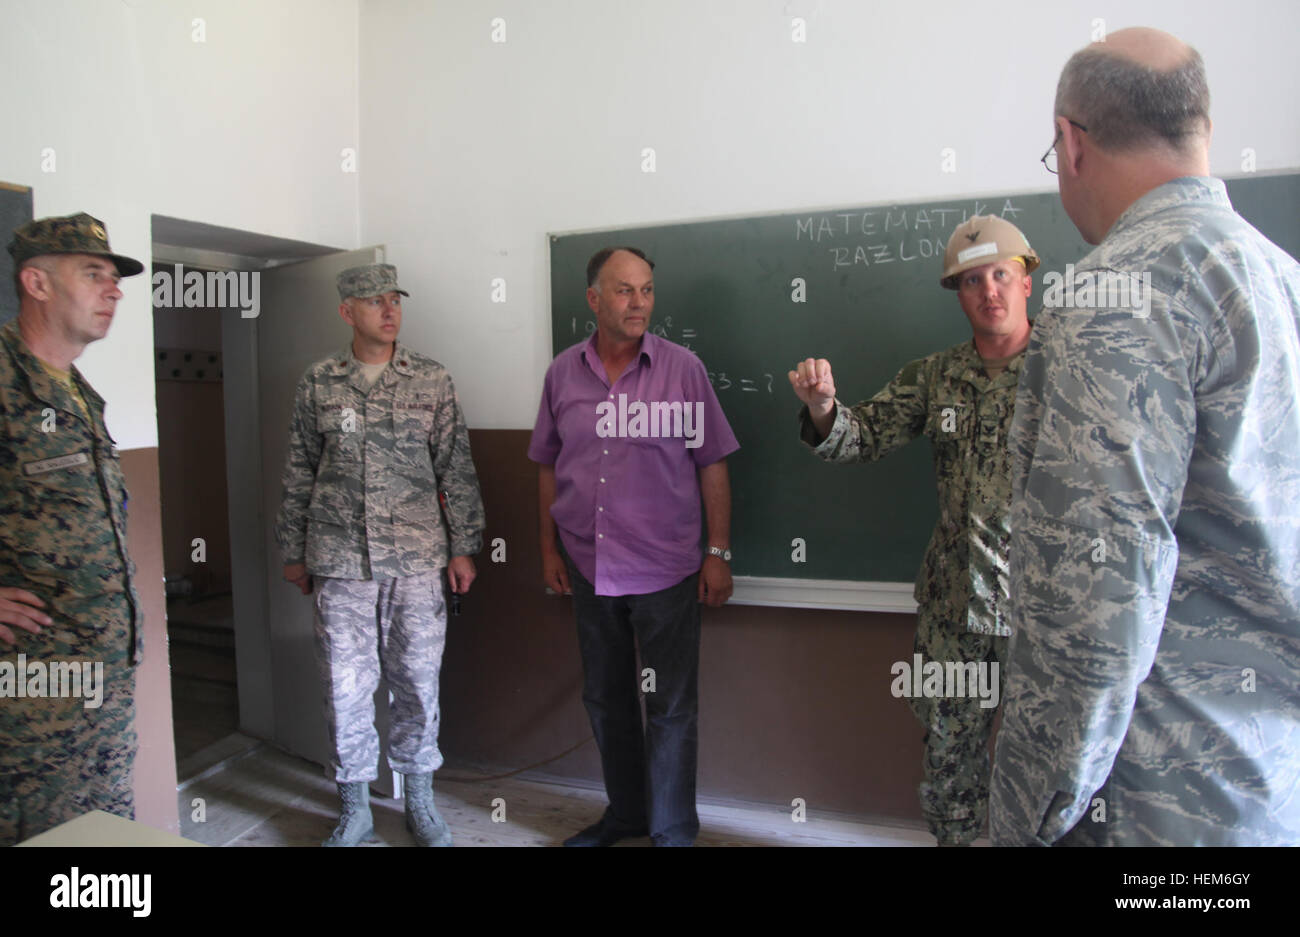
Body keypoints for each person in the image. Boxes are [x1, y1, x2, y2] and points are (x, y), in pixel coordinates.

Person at [990, 27, 1300, 846]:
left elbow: (1092, 602)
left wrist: (1027, 812)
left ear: (1071, 141)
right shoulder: (1283, 281)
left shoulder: (1111, 296)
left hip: (1148, 800)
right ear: (1200, 125)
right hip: (1268, 782)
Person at [789, 215, 1040, 846]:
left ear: (1027, 281)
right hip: (953, 610)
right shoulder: (933, 377)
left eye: (1002, 275)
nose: (990, 292)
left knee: (1048, 764)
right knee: (949, 756)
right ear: (957, 292)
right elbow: (861, 437)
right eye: (973, 280)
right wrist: (823, 408)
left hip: (1047, 612)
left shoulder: (1070, 373)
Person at [529, 246, 738, 846]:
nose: (639, 302)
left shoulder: (682, 370)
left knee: (671, 708)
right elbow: (547, 465)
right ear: (593, 299)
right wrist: (547, 552)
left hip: (667, 569)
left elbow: (713, 464)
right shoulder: (562, 373)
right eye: (624, 291)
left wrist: (717, 553)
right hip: (587, 566)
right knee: (606, 699)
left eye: (646, 289)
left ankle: (671, 832)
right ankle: (624, 817)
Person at [275, 263, 485, 847]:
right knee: (345, 685)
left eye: (395, 300)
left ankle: (419, 800)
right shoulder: (319, 382)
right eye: (374, 302)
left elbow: (456, 468)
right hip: (340, 561)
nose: (389, 311)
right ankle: (354, 806)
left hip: (418, 562)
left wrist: (465, 546)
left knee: (418, 681)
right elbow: (298, 472)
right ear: (347, 312)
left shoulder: (431, 380)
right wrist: (293, 550)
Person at [0, 212, 145, 845]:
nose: (113, 290)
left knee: (105, 846)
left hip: (105, 684)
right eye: (94, 275)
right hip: (33, 701)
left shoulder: (79, 391)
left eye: (115, 278)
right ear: (36, 283)